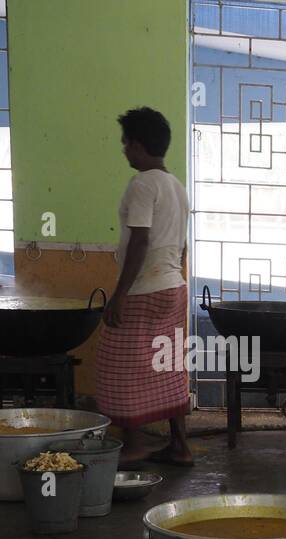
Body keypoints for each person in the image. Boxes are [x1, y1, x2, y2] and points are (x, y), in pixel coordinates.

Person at [96, 107, 193, 467]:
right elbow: (181, 247)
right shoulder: (176, 186)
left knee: (117, 365)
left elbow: (140, 240)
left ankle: (134, 444)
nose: (123, 150)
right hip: (173, 287)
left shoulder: (142, 183)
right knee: (168, 363)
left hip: (144, 289)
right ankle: (180, 446)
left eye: (125, 143)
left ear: (137, 144)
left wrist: (118, 295)